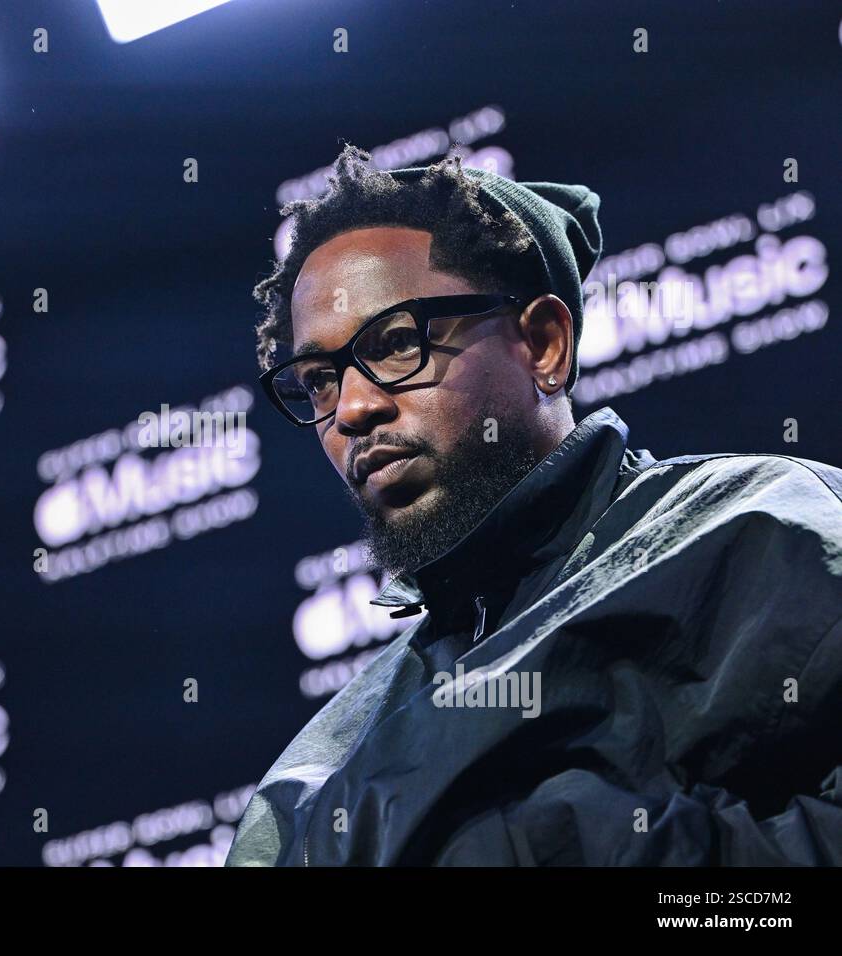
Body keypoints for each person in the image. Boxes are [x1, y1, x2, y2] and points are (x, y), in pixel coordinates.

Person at [225, 145, 842, 865]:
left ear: (545, 344)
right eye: (320, 380)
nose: (354, 407)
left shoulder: (763, 533)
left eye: (395, 343)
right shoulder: (312, 779)